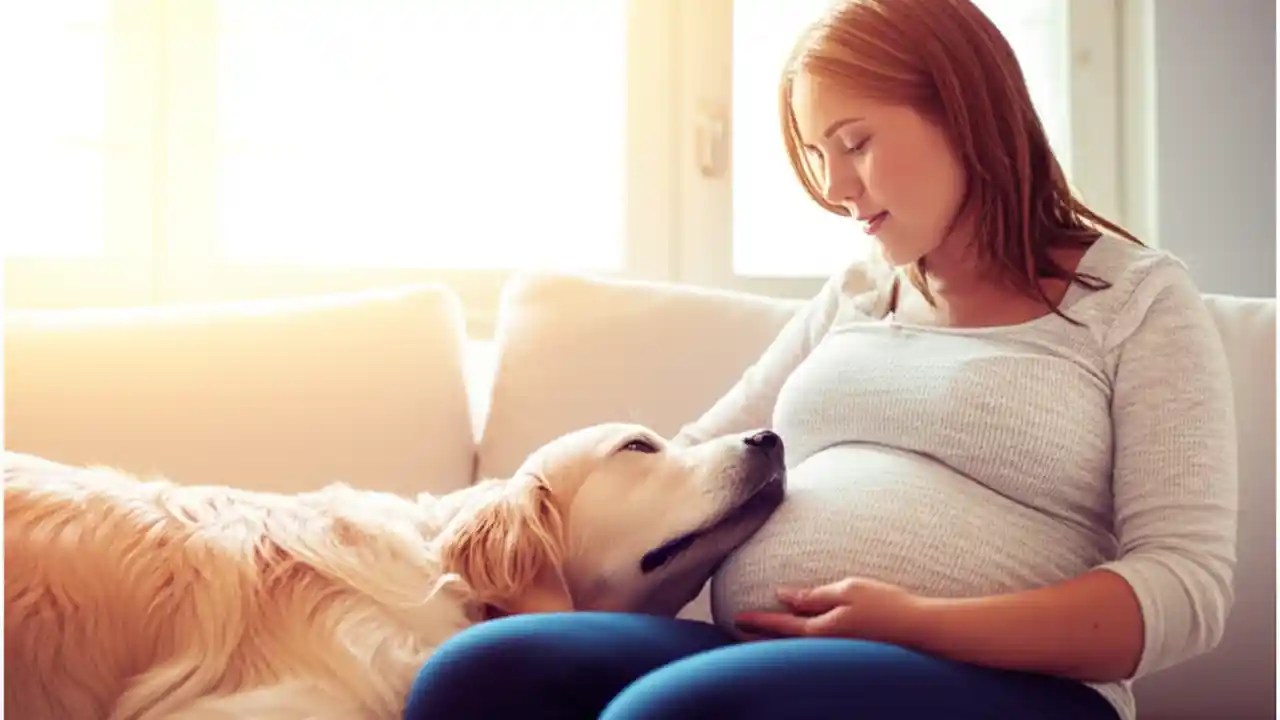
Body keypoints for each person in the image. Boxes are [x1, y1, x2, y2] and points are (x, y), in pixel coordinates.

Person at [402, 0, 1237, 718]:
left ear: (965, 111)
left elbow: (1186, 588)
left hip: (1011, 685)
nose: (835, 186)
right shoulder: (858, 295)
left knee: (671, 713)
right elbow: (694, 460)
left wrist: (914, 620)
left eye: (856, 141)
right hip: (773, 656)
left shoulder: (1134, 302)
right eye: (816, 155)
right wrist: (494, 533)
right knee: (479, 673)